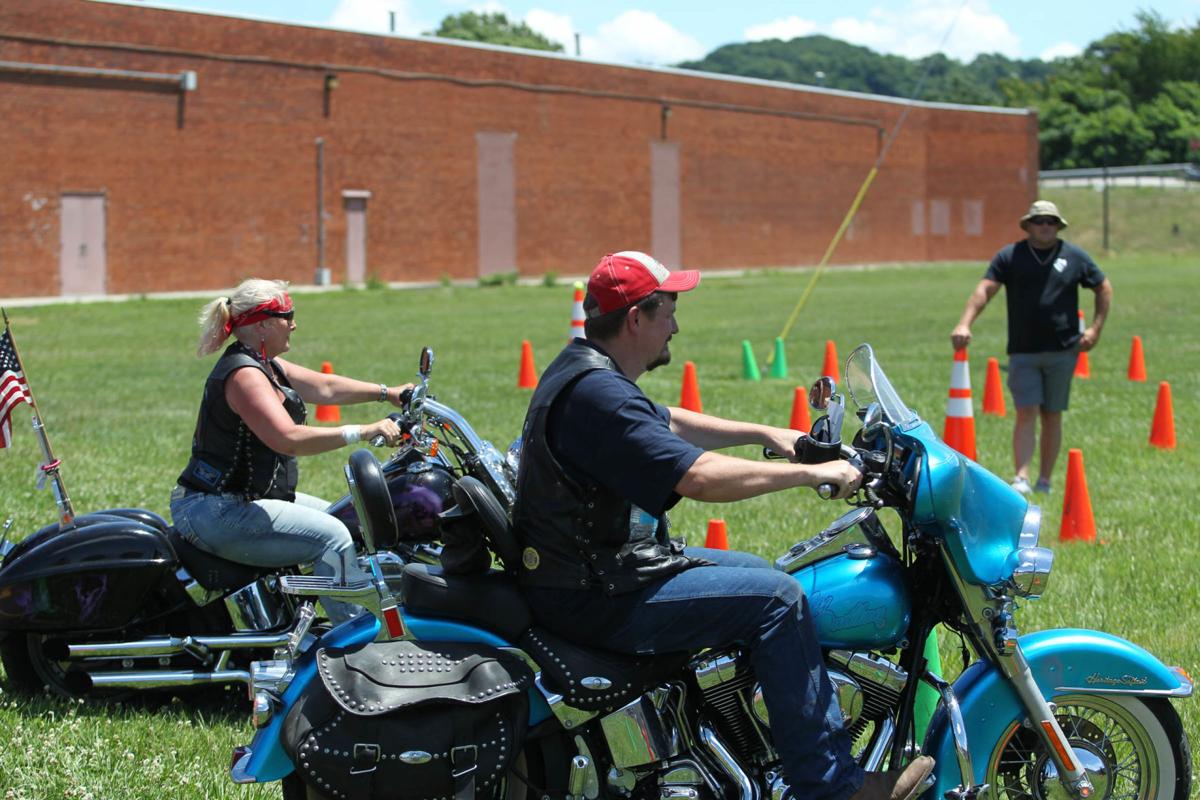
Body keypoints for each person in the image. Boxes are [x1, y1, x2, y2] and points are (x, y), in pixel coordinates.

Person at [513, 251, 934, 800]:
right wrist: (810, 475)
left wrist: (769, 434)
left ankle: (739, 745)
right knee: (777, 599)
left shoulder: (587, 371)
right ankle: (832, 785)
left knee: (761, 572)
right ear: (636, 318)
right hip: (596, 593)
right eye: (669, 312)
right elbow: (700, 478)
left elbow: (667, 420)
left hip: (597, 573)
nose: (675, 326)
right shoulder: (599, 395)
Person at [170, 278, 410, 623]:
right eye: (288, 316)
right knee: (333, 537)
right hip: (217, 510)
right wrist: (363, 431)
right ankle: (356, 640)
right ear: (262, 324)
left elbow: (325, 387)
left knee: (345, 519)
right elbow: (288, 438)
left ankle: (319, 618)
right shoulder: (244, 375)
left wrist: (388, 392)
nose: (294, 325)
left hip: (243, 500)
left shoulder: (267, 364)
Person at [951, 200, 1113, 494]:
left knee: (1052, 414)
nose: (1046, 226)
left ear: (1058, 226)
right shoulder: (1011, 256)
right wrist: (964, 323)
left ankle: (1045, 480)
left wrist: (1095, 328)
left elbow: (1103, 287)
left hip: (1063, 350)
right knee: (1026, 411)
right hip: (1023, 350)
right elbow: (985, 289)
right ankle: (1022, 477)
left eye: (1051, 221)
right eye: (1040, 221)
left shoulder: (1074, 256)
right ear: (1028, 226)